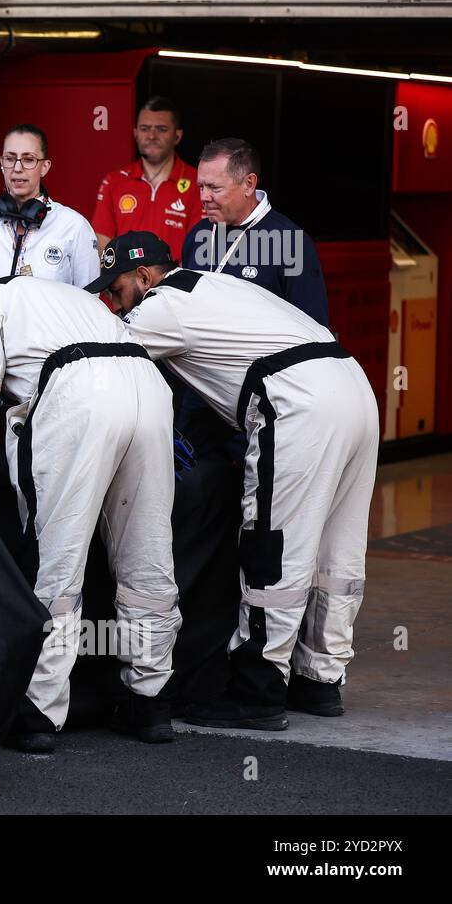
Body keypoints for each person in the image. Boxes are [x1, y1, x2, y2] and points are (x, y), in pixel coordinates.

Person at [97, 231, 378, 728]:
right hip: (354, 387)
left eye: (115, 290)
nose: (112, 302)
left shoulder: (162, 307)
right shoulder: (214, 285)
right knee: (339, 550)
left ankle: (258, 691)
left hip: (298, 405)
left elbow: (102, 361)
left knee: (273, 549)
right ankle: (320, 680)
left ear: (143, 277)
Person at [0, 238, 183, 751]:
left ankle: (38, 713)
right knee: (148, 557)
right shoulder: (72, 297)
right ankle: (151, 703)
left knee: (58, 560)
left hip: (78, 394)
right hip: (148, 388)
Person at [181, 138, 329, 325]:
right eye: (200, 187)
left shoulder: (291, 243)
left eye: (214, 187)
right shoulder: (198, 234)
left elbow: (314, 328)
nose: (203, 197)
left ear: (249, 184)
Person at [0, 123, 99, 299]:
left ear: (45, 167)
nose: (17, 168)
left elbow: (89, 300)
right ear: (2, 163)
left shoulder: (74, 226)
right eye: (10, 159)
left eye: (28, 159)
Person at [92, 96, 199, 263]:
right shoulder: (114, 181)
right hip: (124, 283)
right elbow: (102, 243)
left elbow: (198, 247)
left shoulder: (198, 182)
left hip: (174, 284)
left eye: (162, 129)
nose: (152, 135)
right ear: (135, 134)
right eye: (144, 128)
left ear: (177, 136)